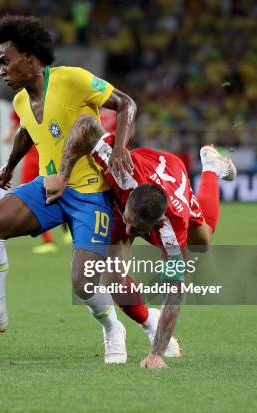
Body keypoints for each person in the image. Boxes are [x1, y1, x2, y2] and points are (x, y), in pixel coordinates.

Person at [0, 15, 145, 364]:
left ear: (30, 58)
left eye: (5, 62)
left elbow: (127, 104)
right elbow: (27, 130)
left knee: (83, 285)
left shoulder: (72, 79)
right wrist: (10, 165)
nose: (1, 71)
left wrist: (119, 148)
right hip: (48, 187)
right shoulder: (20, 101)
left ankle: (112, 327)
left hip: (90, 192)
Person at [45, 126, 237, 368]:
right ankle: (147, 322)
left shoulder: (172, 229)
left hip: (173, 176)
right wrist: (64, 173)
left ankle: (210, 167)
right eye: (128, 224)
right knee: (112, 277)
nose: (128, 233)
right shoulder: (120, 171)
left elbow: (174, 292)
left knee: (203, 242)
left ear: (157, 225)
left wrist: (156, 354)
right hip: (131, 186)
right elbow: (86, 127)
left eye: (136, 231)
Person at [2, 109, 71, 254]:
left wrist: (10, 134)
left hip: (39, 157)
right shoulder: (24, 99)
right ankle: (65, 232)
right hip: (48, 155)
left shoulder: (33, 97)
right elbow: (18, 121)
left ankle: (50, 239)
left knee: (32, 197)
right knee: (57, 192)